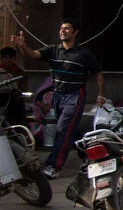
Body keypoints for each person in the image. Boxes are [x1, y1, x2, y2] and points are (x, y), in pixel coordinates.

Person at [9, 19, 103, 178]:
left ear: (75, 32)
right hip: (58, 95)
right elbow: (34, 54)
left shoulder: (83, 54)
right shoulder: (53, 50)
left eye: (67, 29)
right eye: (61, 28)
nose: (63, 31)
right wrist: (22, 45)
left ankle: (53, 166)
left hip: (75, 95)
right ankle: (89, 156)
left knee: (63, 130)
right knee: (69, 130)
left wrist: (100, 94)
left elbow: (98, 73)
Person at [0, 46, 27, 126]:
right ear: (1, 58)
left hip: (12, 99)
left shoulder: (20, 73)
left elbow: (22, 89)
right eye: (5, 57)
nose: (8, 60)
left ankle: (19, 129)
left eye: (10, 57)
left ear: (14, 59)